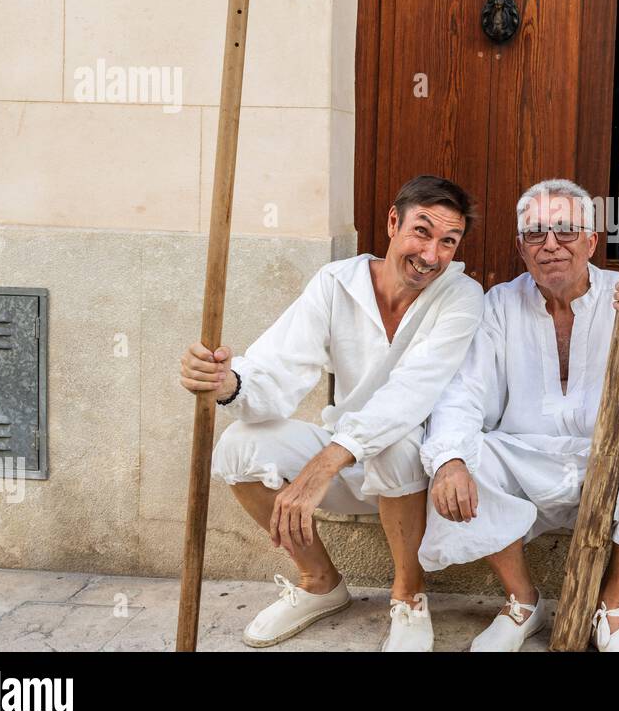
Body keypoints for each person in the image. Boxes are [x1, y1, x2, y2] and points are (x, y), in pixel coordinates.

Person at [179, 175, 482, 651]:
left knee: (397, 440)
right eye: (422, 232)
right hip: (348, 464)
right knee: (237, 448)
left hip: (415, 477)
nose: (431, 255)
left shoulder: (461, 296)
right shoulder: (336, 283)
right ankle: (319, 581)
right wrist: (229, 382)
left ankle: (408, 594)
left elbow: (412, 394)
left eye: (449, 241)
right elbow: (279, 365)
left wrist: (323, 465)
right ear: (391, 222)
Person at [418, 178, 619, 652]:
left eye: (566, 231)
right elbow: (463, 393)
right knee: (457, 458)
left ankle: (607, 608)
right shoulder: (499, 305)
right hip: (526, 459)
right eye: (536, 234)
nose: (551, 245)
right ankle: (522, 601)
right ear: (521, 247)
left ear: (592, 241)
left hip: (613, 461)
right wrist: (450, 460)